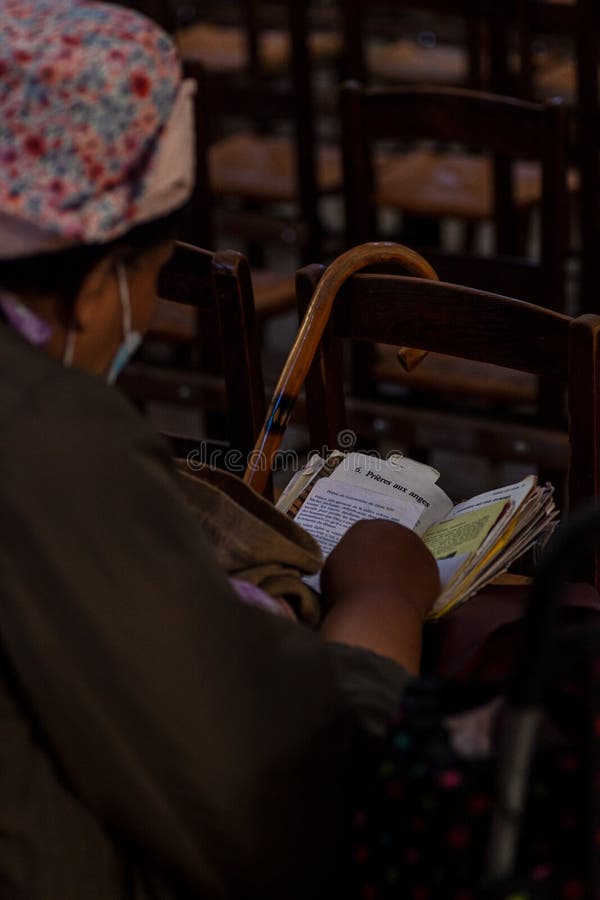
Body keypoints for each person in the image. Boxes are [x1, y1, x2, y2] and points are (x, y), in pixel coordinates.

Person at [0, 2, 440, 898]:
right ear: (94, 289)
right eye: (157, 276)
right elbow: (279, 795)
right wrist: (382, 602)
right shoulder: (46, 435)